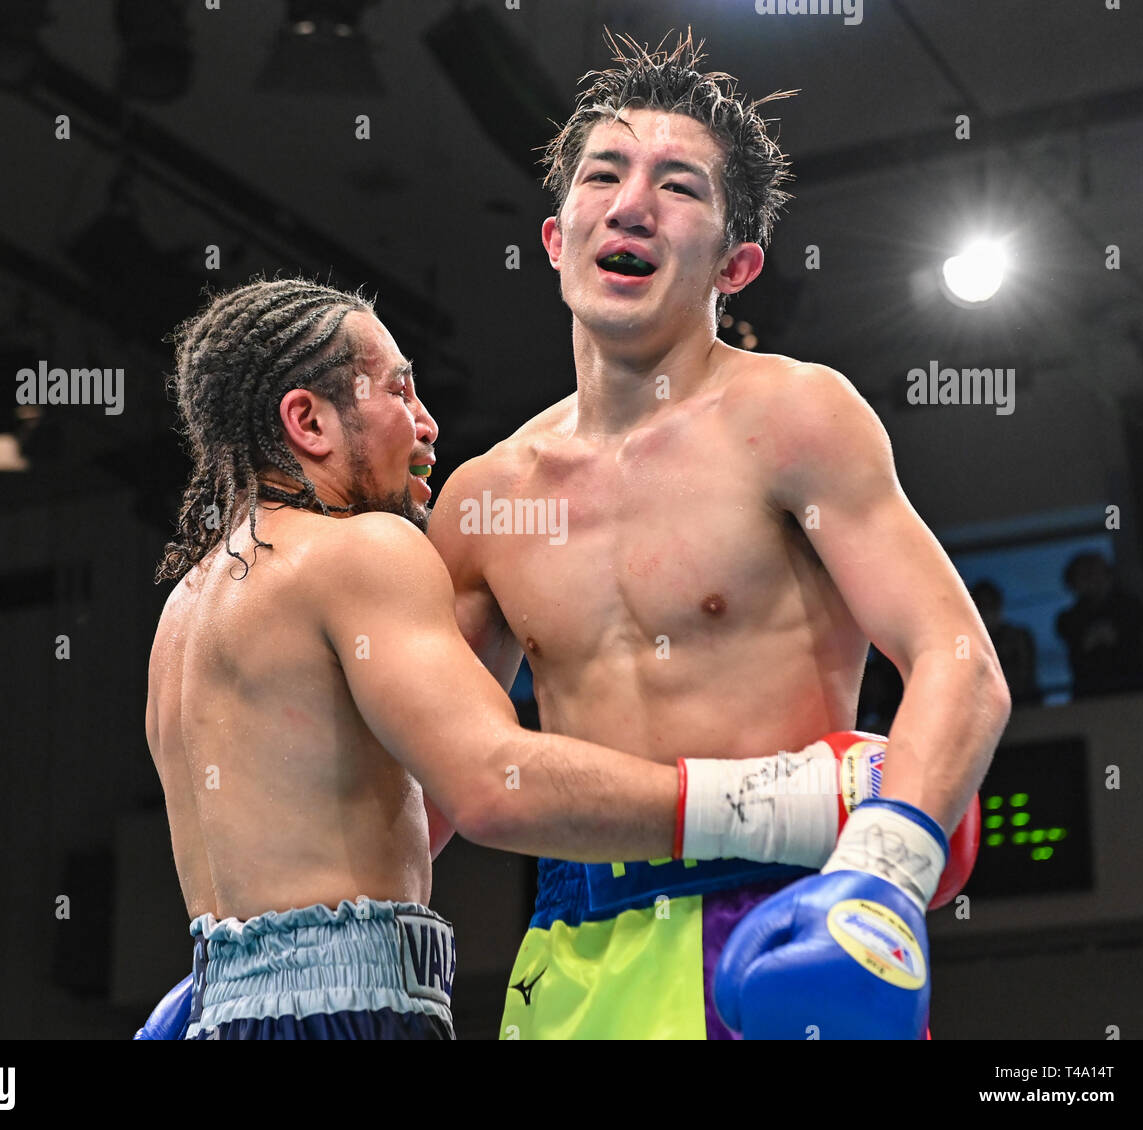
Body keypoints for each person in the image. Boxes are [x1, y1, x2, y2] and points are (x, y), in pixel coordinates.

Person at [136, 276, 906, 1041]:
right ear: (308, 421)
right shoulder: (364, 551)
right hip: (352, 1015)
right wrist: (787, 800)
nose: (428, 423)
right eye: (401, 392)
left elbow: (378, 815)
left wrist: (240, 976)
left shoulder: (184, 613)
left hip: (221, 1006)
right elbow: (491, 785)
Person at [426, 30, 1010, 1040]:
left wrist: (883, 877)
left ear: (735, 263)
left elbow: (959, 662)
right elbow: (423, 785)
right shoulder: (483, 498)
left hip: (779, 922)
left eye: (679, 185)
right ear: (559, 235)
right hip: (570, 950)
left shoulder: (793, 417)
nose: (632, 202)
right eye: (604, 173)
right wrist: (280, 937)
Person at [1055, 551, 1143, 698]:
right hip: (1090, 693)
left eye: (1094, 573)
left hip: (1133, 688)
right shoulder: (1069, 619)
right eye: (1084, 576)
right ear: (1074, 583)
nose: (1092, 581)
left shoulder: (1131, 608)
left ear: (1108, 575)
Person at [970, 580, 1039, 705]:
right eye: (982, 605)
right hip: (982, 707)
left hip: (1022, 704)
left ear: (999, 605)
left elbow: (1026, 674)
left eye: (991, 604)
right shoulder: (964, 641)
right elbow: (964, 677)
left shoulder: (1019, 636)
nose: (987, 611)